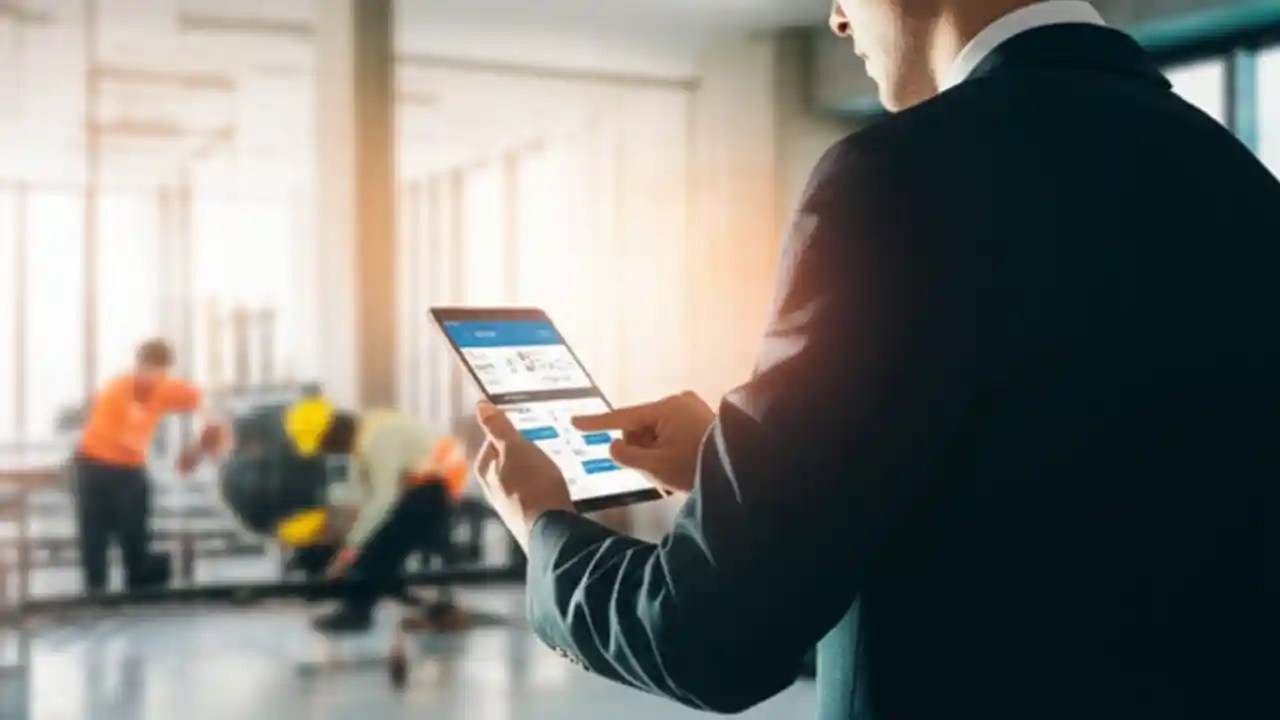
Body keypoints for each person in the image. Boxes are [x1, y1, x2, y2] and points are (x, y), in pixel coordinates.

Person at [471, 2, 1280, 718]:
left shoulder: (892, 178)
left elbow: (708, 636)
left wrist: (542, 527)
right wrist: (746, 461)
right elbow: (1068, 494)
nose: (837, 19)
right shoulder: (1239, 181)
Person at [283, 398, 469, 633]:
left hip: (438, 485)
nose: (328, 452)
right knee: (370, 538)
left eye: (325, 445)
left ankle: (357, 612)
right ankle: (389, 589)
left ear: (333, 433)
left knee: (384, 542)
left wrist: (351, 549)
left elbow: (382, 500)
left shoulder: (377, 440)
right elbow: (359, 501)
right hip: (416, 484)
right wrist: (335, 544)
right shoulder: (363, 436)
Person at [76, 339, 220, 594]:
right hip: (95, 465)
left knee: (136, 529)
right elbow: (127, 438)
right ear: (139, 367)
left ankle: (138, 585)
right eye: (151, 373)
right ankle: (95, 589)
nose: (155, 380)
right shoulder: (116, 391)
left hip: (129, 467)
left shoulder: (164, 389)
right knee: (94, 533)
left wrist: (207, 429)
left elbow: (199, 398)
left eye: (162, 374)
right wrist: (188, 456)